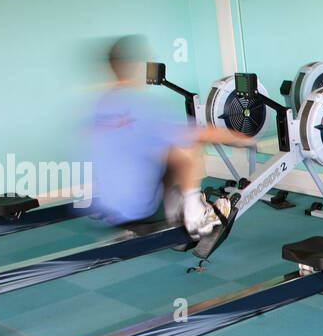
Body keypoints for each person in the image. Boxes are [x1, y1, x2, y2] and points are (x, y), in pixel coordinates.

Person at [87, 35, 255, 237]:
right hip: (138, 209)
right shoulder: (142, 105)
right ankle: (196, 216)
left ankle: (174, 204)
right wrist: (238, 138)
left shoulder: (102, 104)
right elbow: (197, 134)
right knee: (187, 146)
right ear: (136, 66)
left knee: (155, 145)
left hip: (107, 207)